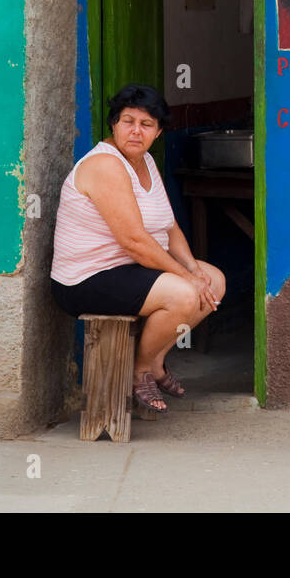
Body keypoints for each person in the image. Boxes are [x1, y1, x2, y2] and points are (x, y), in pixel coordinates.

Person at [50, 83, 226, 415]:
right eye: (127, 121)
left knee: (214, 280)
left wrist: (193, 269)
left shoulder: (145, 163)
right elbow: (134, 242)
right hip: (86, 279)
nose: (135, 131)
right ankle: (139, 369)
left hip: (129, 269)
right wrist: (187, 279)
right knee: (185, 295)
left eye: (146, 124)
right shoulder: (106, 164)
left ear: (158, 132)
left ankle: (156, 362)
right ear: (113, 124)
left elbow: (169, 228)